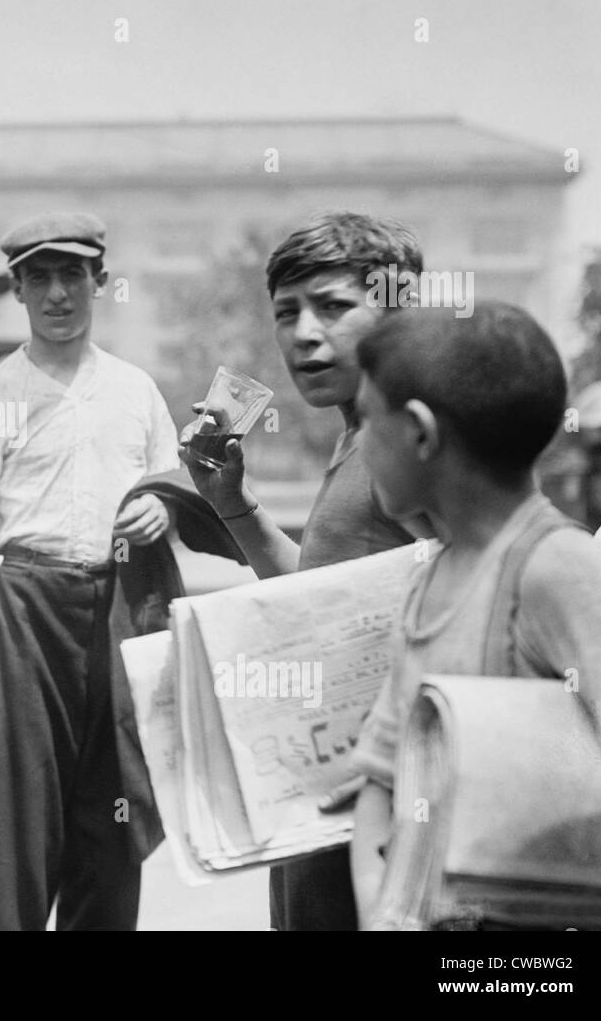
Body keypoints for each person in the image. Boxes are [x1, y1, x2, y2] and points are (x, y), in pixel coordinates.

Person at [0, 211, 180, 931]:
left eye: (72, 274)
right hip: (24, 614)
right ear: (15, 289)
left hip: (119, 612)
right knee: (19, 829)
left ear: (98, 280)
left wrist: (162, 510)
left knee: (116, 822)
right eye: (38, 277)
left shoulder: (137, 392)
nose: (57, 294)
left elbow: (171, 490)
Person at [346, 303, 601, 928]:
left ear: (420, 432)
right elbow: (382, 777)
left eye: (365, 419)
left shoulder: (556, 567)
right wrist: (382, 910)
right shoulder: (429, 579)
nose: (358, 443)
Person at [183, 212, 424, 931]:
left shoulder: (411, 441)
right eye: (287, 313)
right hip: (326, 780)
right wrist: (232, 502)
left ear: (397, 308)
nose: (304, 333)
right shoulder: (360, 435)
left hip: (379, 790)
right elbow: (316, 595)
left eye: (334, 307)